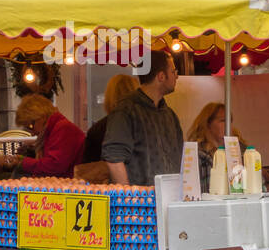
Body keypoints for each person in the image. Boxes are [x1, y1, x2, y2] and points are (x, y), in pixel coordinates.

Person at [102, 50, 183, 186]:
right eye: (174, 72)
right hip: (139, 203)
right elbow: (114, 158)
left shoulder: (169, 115)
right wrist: (128, 199)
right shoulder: (126, 110)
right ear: (161, 76)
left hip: (170, 200)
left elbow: (181, 157)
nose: (177, 76)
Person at [0, 95, 86, 178]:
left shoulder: (63, 128)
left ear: (40, 117)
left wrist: (23, 162)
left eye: (30, 126)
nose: (32, 133)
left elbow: (55, 166)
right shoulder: (54, 129)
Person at [186, 102, 248, 192]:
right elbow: (207, 190)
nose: (228, 125)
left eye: (230, 121)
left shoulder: (239, 149)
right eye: (223, 120)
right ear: (208, 124)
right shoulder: (200, 155)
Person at [82, 74, 138, 164]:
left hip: (107, 177)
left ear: (109, 97)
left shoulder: (97, 130)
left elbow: (87, 168)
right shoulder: (146, 126)